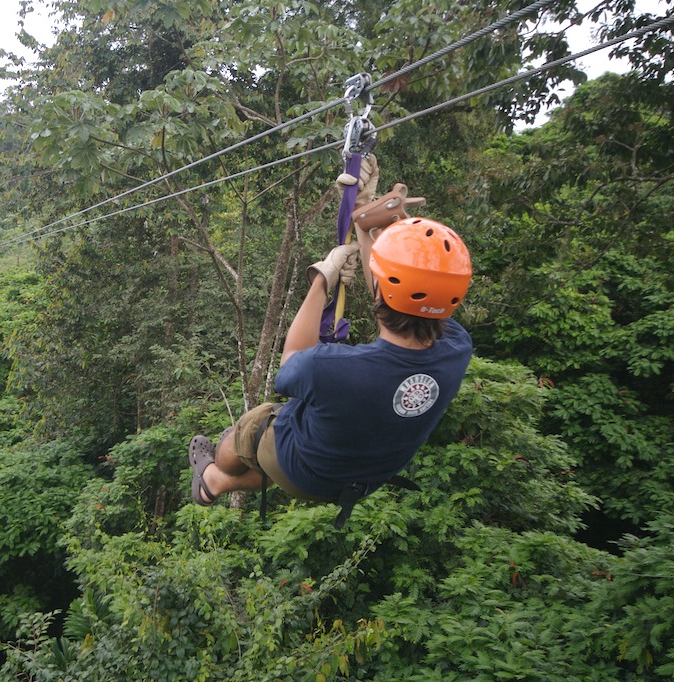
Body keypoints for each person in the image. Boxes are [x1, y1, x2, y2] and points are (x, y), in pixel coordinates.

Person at [188, 160, 474, 525]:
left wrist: (321, 280)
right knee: (304, 447)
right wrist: (366, 221)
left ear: (381, 289)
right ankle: (224, 483)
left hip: (302, 471)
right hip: (360, 478)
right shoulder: (455, 350)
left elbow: (291, 359)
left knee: (254, 425)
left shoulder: (336, 369)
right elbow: (407, 290)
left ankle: (214, 476)